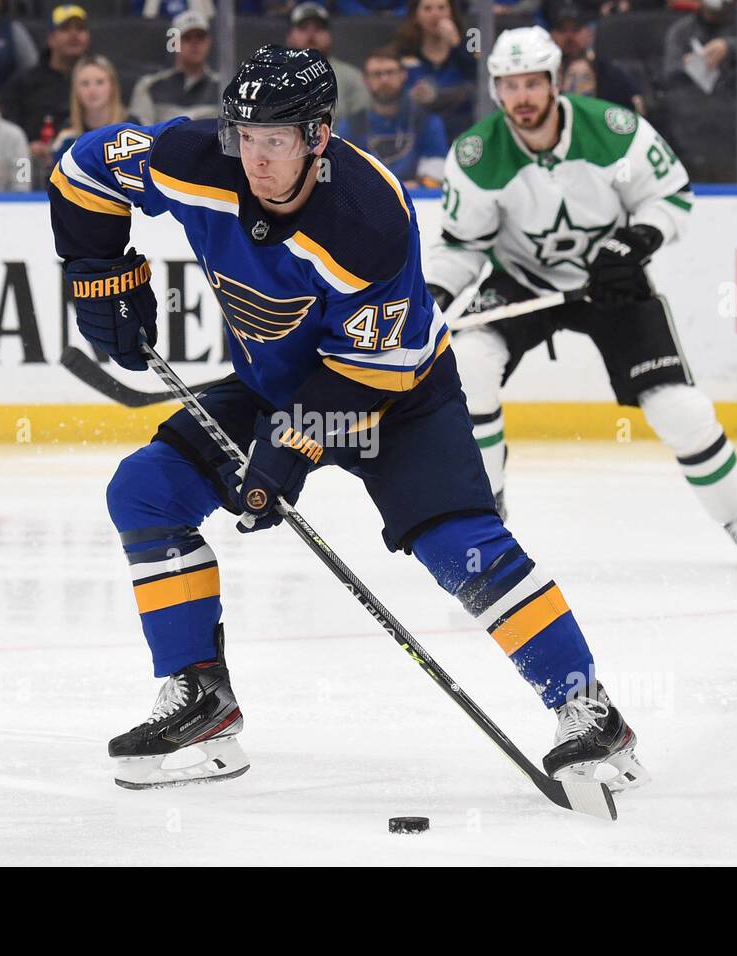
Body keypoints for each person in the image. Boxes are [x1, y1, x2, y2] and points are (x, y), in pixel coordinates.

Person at [47, 44, 649, 792]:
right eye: (243, 136)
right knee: (144, 491)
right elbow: (84, 167)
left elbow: (373, 372)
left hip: (399, 398)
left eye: (276, 140)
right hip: (273, 385)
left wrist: (288, 449)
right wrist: (97, 272)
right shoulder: (191, 157)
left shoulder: (368, 217)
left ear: (317, 138)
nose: (255, 159)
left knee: (459, 546)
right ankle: (201, 697)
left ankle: (590, 714)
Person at [427, 28, 737, 558]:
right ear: (496, 90)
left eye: (531, 83)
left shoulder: (615, 131)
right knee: (470, 366)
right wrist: (433, 293)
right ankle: (488, 504)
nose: (521, 98)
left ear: (554, 82)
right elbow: (461, 247)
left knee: (678, 408)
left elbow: (671, 197)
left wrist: (636, 241)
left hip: (611, 279)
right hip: (521, 280)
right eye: (509, 86)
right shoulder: (477, 154)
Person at [335, 46, 446, 190]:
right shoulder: (350, 126)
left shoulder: (427, 122)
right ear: (366, 80)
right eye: (377, 74)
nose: (384, 80)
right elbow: (343, 177)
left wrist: (417, 185)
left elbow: (435, 174)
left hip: (419, 202)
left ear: (403, 75)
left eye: (390, 72)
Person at [1, 4, 92, 176]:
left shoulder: (98, 79)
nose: (74, 35)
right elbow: (8, 125)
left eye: (80, 29)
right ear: (50, 38)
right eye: (65, 29)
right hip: (32, 166)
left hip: (85, 166)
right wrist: (27, 145)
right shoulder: (24, 82)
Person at [393, 0, 477, 139]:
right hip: (417, 132)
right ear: (416, 15)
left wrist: (457, 44)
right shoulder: (403, 49)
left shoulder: (469, 46)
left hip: (463, 130)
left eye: (441, 8)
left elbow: (479, 80)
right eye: (427, 9)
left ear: (452, 12)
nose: (435, 14)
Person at [546, 0, 643, 114]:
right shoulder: (544, 73)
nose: (569, 36)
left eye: (575, 29)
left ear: (589, 32)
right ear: (551, 35)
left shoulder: (608, 71)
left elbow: (636, 107)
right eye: (562, 30)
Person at [285, 2, 367, 122]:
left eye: (318, 29)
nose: (311, 35)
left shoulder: (352, 77)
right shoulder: (275, 76)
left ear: (330, 36)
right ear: (289, 36)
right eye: (303, 28)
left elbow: (362, 122)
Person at [51, 55, 132, 160]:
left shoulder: (132, 128)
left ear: (112, 86)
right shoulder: (67, 136)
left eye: (100, 82)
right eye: (85, 83)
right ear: (76, 90)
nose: (92, 90)